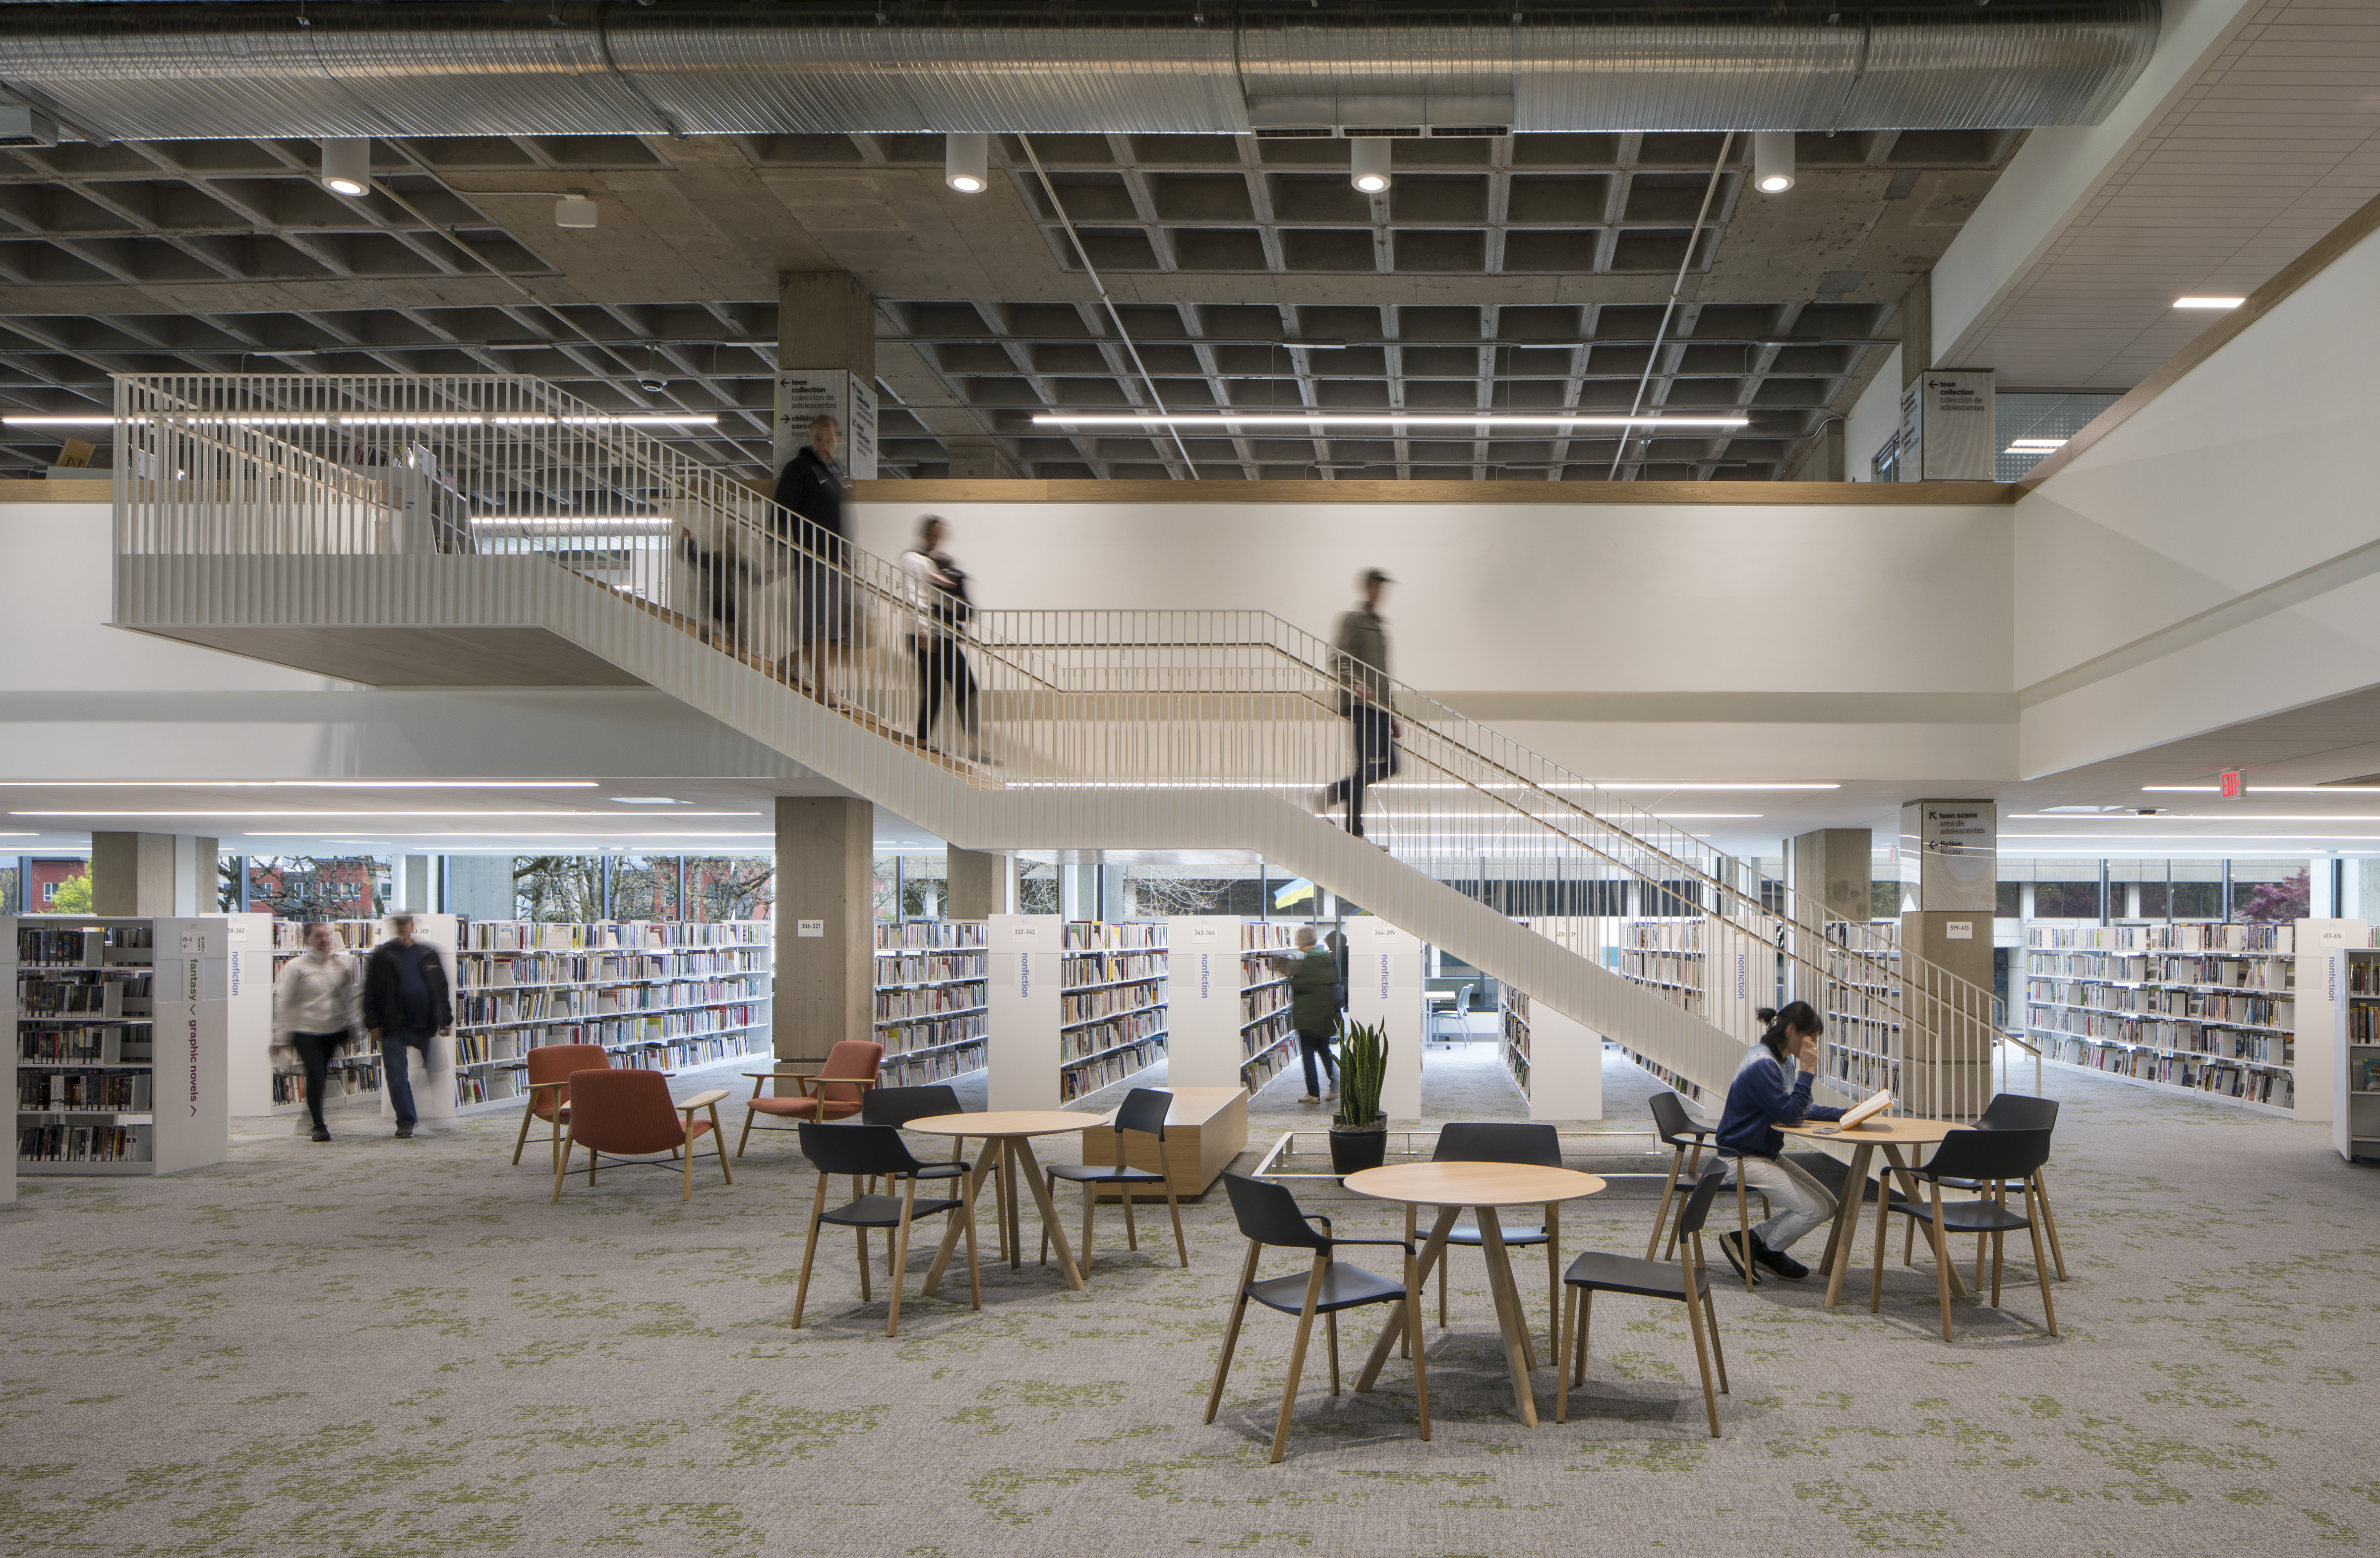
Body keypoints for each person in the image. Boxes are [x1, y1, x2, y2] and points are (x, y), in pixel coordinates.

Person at [1711, 1001, 1847, 1284]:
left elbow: (1798, 1108)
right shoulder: (1763, 1064)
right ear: (1792, 1030)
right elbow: (1790, 1115)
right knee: (1815, 1209)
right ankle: (1769, 1252)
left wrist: (1844, 1115)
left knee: (1829, 1204)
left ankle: (1749, 1240)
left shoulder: (1781, 1061)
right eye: (1811, 1038)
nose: (1812, 1045)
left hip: (1763, 1153)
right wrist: (1807, 1071)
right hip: (1740, 1156)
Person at [772, 412, 854, 705]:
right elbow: (780, 511)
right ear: (810, 436)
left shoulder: (836, 473)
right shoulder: (798, 469)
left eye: (829, 440)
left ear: (838, 441)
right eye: (819, 438)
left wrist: (845, 553)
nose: (824, 445)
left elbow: (837, 519)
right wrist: (780, 551)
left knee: (836, 632)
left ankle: (787, 663)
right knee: (820, 629)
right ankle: (822, 691)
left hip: (834, 562)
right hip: (810, 561)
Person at [1313, 567, 1401, 842]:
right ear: (1366, 588)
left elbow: (1384, 675)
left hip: (1381, 708)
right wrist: (1355, 684)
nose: (1379, 592)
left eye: (1382, 587)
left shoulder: (1380, 625)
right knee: (1365, 768)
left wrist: (1394, 712)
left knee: (1392, 766)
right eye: (1375, 586)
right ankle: (1355, 832)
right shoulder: (1353, 620)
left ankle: (1332, 794)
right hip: (1362, 704)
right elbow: (1337, 657)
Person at [899, 514, 988, 761]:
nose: (936, 538)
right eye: (933, 533)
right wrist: (924, 630)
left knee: (965, 685)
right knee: (935, 689)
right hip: (927, 634)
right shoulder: (914, 560)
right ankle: (923, 742)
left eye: (939, 534)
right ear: (926, 533)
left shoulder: (936, 562)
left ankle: (973, 745)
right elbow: (914, 596)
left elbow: (949, 601)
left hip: (943, 634)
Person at [361, 914, 453, 1140]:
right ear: (395, 928)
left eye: (406, 925)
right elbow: (370, 991)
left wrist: (446, 1019)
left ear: (413, 927)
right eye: (399, 925)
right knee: (396, 1075)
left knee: (437, 1068)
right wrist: (373, 1023)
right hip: (393, 1025)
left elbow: (441, 987)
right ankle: (406, 1121)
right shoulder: (382, 956)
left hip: (424, 1024)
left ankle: (428, 1105)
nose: (403, 929)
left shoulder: (428, 954)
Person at [275, 921, 359, 1144]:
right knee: (316, 1074)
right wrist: (280, 1037)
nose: (325, 940)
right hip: (305, 1031)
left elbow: (347, 999)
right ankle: (318, 1125)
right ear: (307, 940)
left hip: (331, 1031)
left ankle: (312, 1116)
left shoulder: (339, 966)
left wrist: (351, 1025)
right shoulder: (296, 967)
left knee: (321, 1075)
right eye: (319, 936)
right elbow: (286, 1004)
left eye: (327, 935)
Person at [1278, 927, 1339, 1105]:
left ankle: (1313, 1093)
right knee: (1324, 1050)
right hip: (1326, 1016)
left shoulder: (1308, 963)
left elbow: (1303, 985)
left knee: (1308, 1053)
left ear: (1304, 941)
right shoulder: (1327, 959)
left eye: (1298, 939)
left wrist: (1289, 975)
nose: (1296, 942)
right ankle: (1336, 1083)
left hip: (1309, 1018)